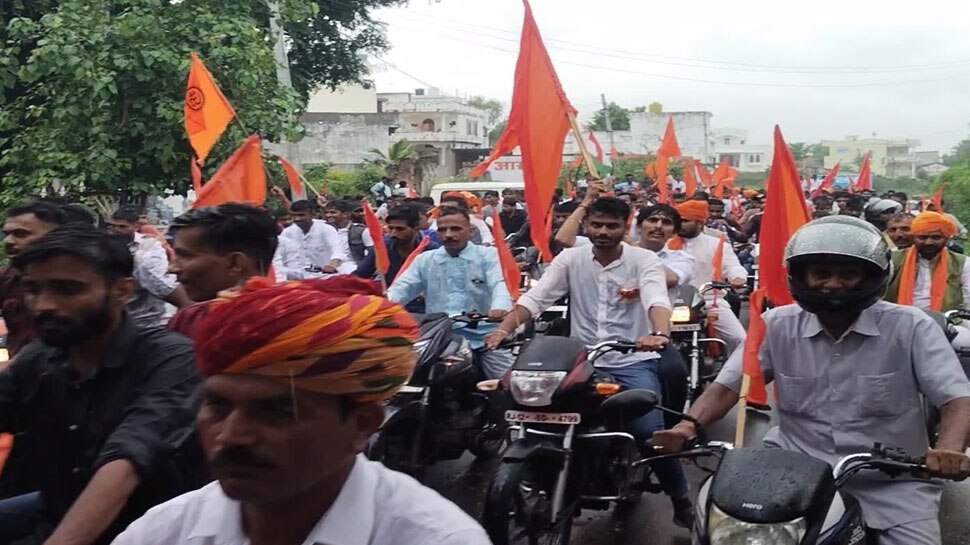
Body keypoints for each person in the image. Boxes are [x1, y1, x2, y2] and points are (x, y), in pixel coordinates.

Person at [653, 215, 970, 545]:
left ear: (872, 277)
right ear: (801, 276)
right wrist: (686, 426)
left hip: (892, 483)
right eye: (821, 274)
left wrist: (948, 449)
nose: (832, 284)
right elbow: (728, 386)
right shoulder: (775, 325)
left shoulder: (912, 327)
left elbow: (956, 398)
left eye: (847, 275)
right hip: (790, 476)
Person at [112, 277, 491, 545]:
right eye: (217, 405)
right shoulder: (166, 531)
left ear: (362, 426)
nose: (231, 435)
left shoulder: (436, 537)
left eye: (278, 411)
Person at [484, 197, 694, 528]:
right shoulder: (570, 258)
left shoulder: (644, 260)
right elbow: (537, 299)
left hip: (633, 361)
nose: (603, 231)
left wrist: (659, 333)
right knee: (534, 412)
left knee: (647, 431)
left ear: (627, 228)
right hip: (580, 361)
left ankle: (681, 499)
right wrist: (503, 329)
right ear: (586, 225)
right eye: (597, 224)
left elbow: (657, 298)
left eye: (612, 226)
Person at [0, 226, 203, 545]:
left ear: (123, 291)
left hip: (150, 533)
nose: (42, 305)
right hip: (52, 517)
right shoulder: (39, 359)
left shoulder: (172, 359)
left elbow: (126, 461)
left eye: (67, 289)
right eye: (33, 289)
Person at [387, 207, 512, 379]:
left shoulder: (490, 256)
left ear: (471, 231)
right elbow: (403, 287)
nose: (448, 234)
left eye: (455, 229)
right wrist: (382, 308)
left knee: (505, 384)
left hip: (485, 336)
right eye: (442, 230)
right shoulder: (425, 260)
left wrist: (500, 307)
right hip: (439, 337)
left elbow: (500, 284)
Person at [167, 204, 279, 337]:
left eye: (185, 255)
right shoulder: (187, 321)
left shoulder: (294, 326)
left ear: (235, 263)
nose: (172, 268)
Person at [667, 200, 748, 355]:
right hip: (671, 302)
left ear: (700, 222)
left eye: (685, 221)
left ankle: (728, 376)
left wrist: (737, 278)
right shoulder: (667, 244)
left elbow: (732, 266)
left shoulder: (717, 244)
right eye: (677, 221)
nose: (679, 225)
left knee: (741, 340)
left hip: (710, 300)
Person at [883, 211, 970, 348]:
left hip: (947, 322)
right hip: (897, 321)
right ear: (914, 237)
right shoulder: (893, 259)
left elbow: (968, 301)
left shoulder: (962, 263)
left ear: (946, 238)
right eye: (922, 237)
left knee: (964, 343)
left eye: (936, 237)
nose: (929, 242)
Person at [106, 206, 192, 328]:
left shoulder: (148, 249)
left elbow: (163, 283)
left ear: (136, 226)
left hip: (151, 322)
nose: (116, 230)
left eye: (122, 227)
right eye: (113, 226)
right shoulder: (105, 245)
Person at [1, 201, 66, 357]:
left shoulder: (79, 282)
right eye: (7, 234)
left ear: (53, 236)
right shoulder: (8, 278)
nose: (8, 241)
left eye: (21, 234)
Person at [354, 205, 440, 311]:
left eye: (400, 229)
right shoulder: (382, 247)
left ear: (416, 228)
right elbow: (358, 277)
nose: (393, 234)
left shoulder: (431, 249)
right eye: (391, 228)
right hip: (389, 305)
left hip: (423, 307)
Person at [281, 200, 349, 275]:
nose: (297, 219)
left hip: (325, 275)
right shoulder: (287, 232)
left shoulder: (326, 229)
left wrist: (332, 265)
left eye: (301, 215)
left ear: (312, 214)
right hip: (297, 276)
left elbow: (337, 250)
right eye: (293, 215)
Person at [637, 204, 696, 288]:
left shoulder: (682, 258)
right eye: (653, 220)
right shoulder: (621, 253)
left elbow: (670, 279)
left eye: (666, 223)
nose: (658, 226)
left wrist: (635, 251)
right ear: (638, 227)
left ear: (674, 233)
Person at [324, 200, 371, 273]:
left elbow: (373, 254)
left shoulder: (361, 231)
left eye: (332, 212)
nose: (328, 215)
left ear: (345, 214)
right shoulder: (325, 230)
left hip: (354, 268)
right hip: (328, 267)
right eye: (327, 212)